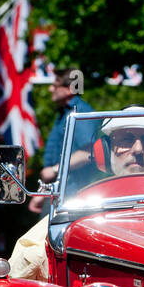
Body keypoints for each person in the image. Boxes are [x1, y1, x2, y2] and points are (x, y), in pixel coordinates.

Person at [8, 109, 144, 280]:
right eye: (127, 140)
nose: (138, 149)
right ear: (105, 152)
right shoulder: (83, 207)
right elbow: (20, 268)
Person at [39, 69, 99, 198]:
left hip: (74, 195)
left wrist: (55, 170)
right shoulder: (65, 113)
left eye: (55, 86)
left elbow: (88, 152)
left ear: (70, 89)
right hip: (61, 192)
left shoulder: (79, 113)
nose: (50, 89)